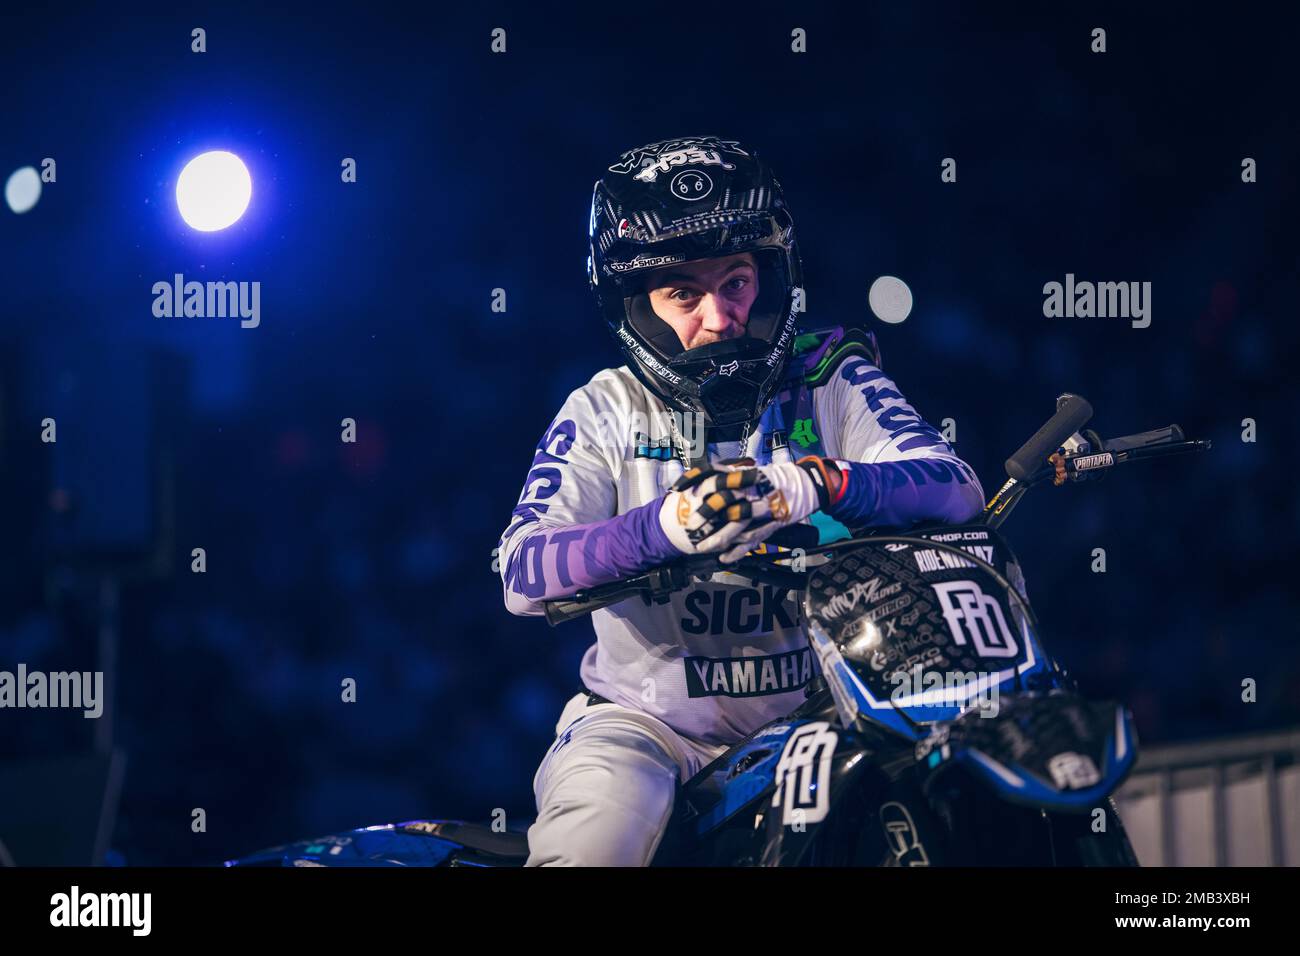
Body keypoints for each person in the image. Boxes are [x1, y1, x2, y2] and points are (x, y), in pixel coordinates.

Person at [497, 135, 985, 866]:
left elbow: (955, 487)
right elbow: (523, 571)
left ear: (772, 277)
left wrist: (820, 482)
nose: (720, 318)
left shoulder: (830, 375)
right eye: (683, 294)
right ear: (635, 305)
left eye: (736, 282)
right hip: (645, 726)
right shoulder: (602, 408)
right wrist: (663, 527)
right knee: (596, 839)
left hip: (831, 714)